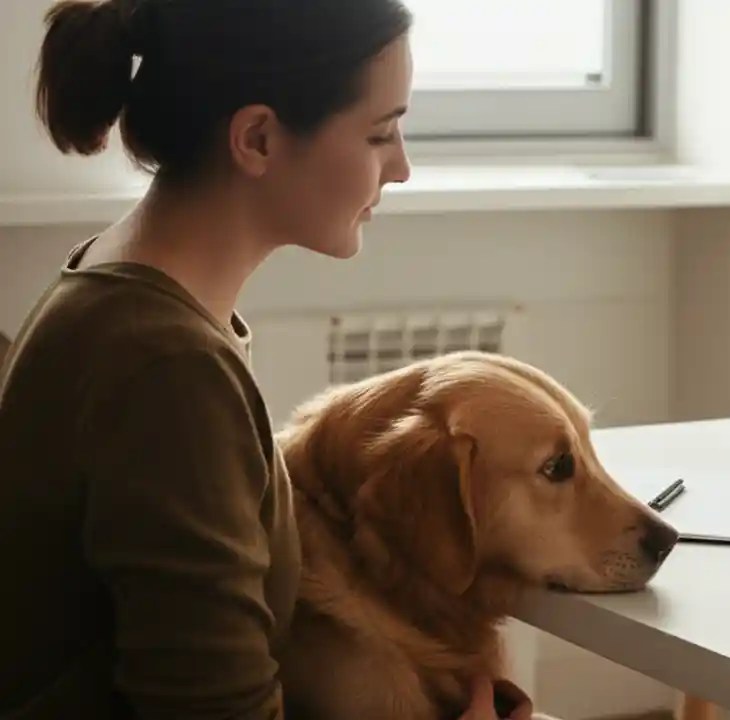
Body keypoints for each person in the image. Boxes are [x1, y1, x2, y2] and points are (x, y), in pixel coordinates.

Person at [0, 1, 524, 718]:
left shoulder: (121, 288)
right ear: (257, 138)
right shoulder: (168, 369)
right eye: (380, 133)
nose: (401, 167)